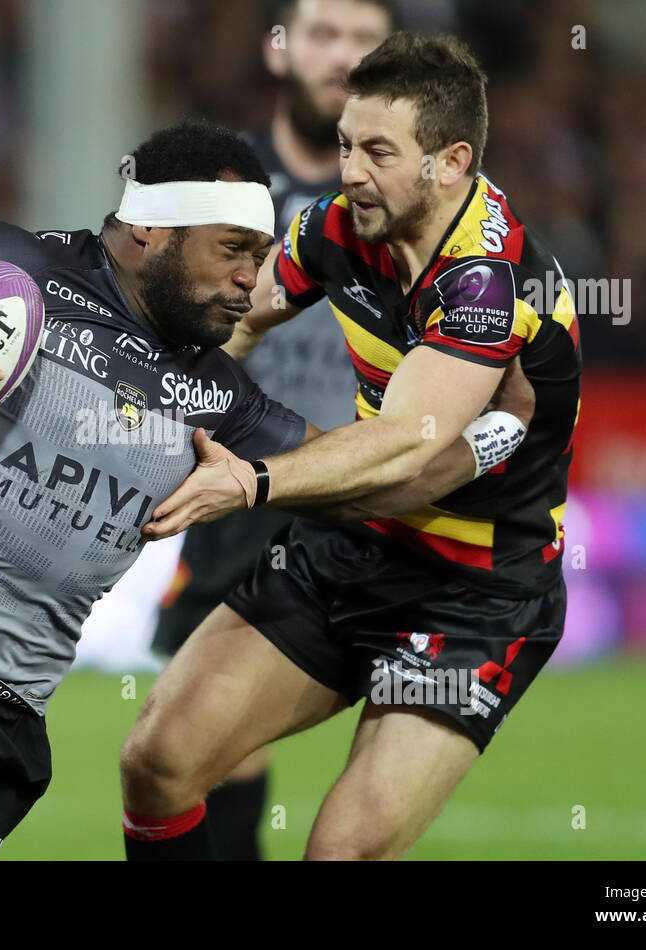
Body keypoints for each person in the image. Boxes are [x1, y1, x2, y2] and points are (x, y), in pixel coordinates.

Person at [0, 119, 513, 861]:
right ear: (150, 228)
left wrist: (494, 439)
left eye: (258, 258)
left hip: (5, 710)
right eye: (230, 249)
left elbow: (366, 483)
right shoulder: (15, 266)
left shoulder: (221, 400)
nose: (248, 283)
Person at [120, 32, 581, 861]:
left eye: (377, 151)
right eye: (343, 145)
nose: (351, 171)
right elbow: (245, 320)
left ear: (450, 162)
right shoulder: (337, 227)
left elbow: (406, 453)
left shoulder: (485, 279)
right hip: (348, 553)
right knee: (156, 762)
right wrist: (156, 408)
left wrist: (254, 482)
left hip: (475, 595)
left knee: (339, 852)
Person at [152, 0, 393, 861]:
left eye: (365, 40)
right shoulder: (225, 186)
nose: (344, 57)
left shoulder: (414, 206)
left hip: (370, 489)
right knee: (210, 750)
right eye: (325, 34)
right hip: (240, 490)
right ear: (279, 48)